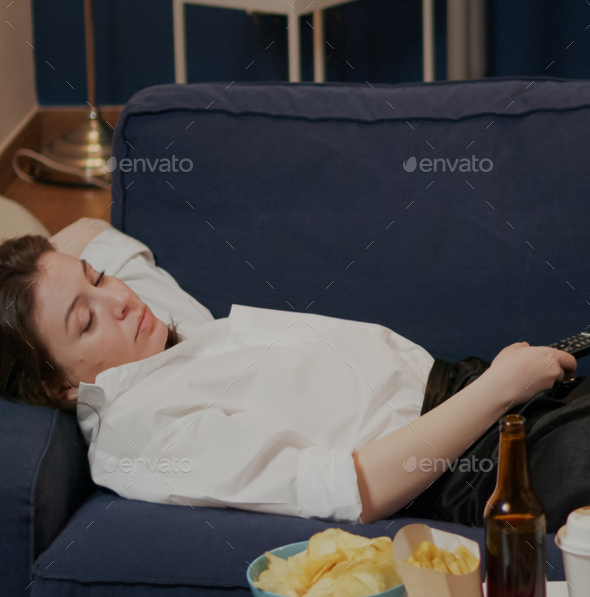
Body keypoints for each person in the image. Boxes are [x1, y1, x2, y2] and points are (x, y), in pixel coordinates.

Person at [0, 217, 584, 532]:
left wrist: (53, 272)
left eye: (97, 278)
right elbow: (355, 491)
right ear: (60, 386)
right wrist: (500, 388)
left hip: (479, 391)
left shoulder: (155, 330)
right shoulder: (143, 430)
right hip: (463, 463)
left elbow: (91, 234)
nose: (119, 301)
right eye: (85, 320)